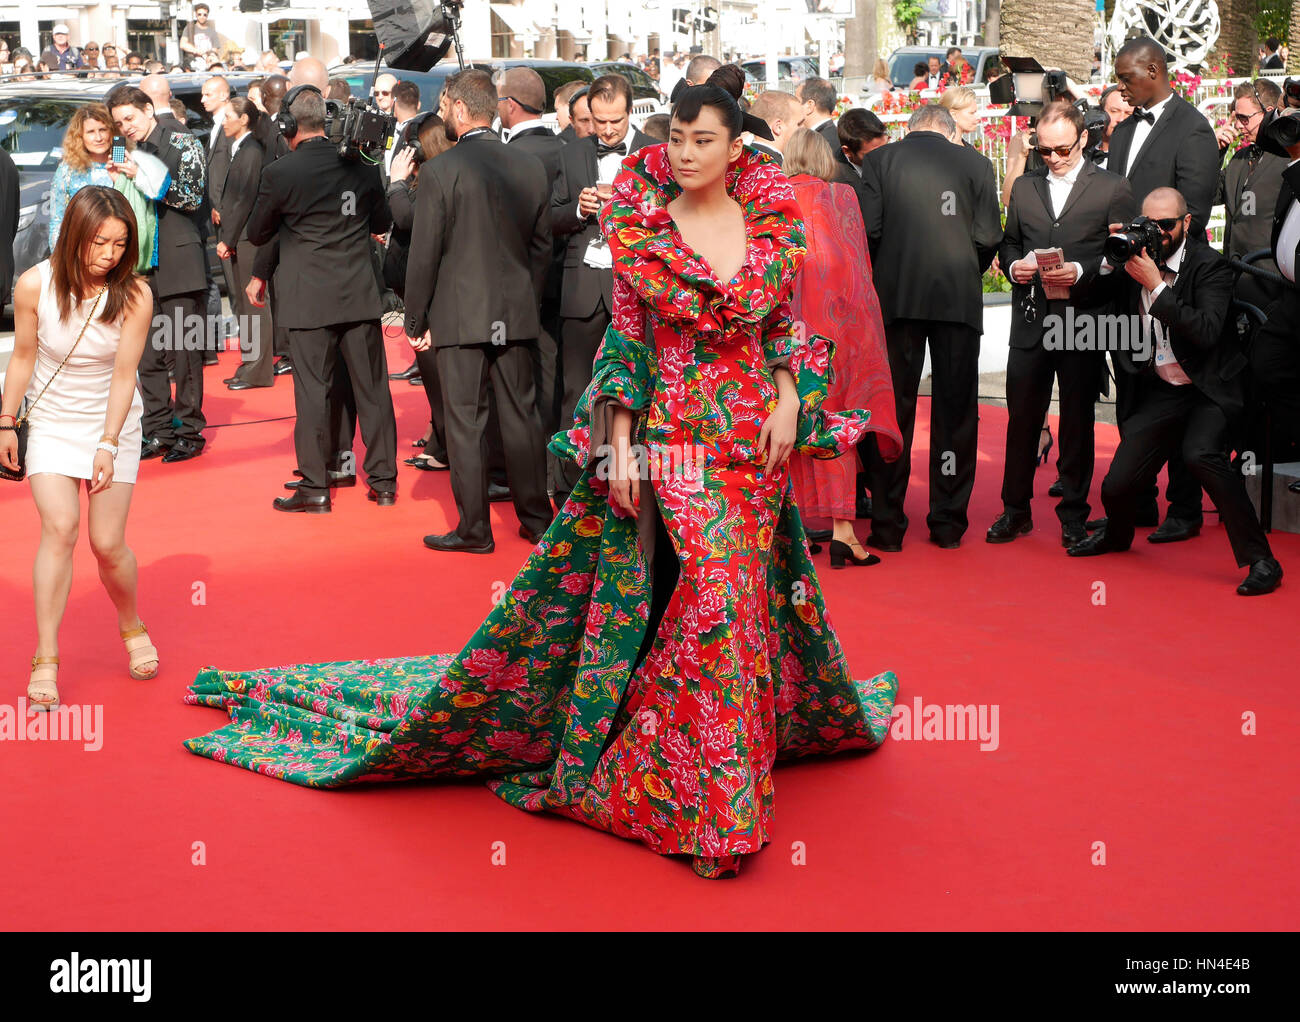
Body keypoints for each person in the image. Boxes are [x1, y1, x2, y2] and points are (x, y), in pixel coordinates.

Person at [181, 84, 898, 882]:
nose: (688, 153)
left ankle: (695, 763)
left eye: (705, 140)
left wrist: (793, 401)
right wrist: (618, 442)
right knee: (718, 604)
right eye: (681, 139)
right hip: (673, 443)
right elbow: (626, 343)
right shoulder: (643, 225)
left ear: (737, 148)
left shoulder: (772, 222)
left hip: (752, 444)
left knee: (734, 605)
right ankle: (718, 811)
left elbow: (785, 329)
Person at [1067, 188, 1282, 596]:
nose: (1158, 233)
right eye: (1149, 224)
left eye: (1167, 225)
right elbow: (1086, 297)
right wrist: (1112, 262)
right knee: (1116, 484)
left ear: (1186, 224)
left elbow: (1204, 331)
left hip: (1209, 387)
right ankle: (1117, 534)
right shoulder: (1135, 259)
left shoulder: (1210, 265)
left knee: (1200, 454)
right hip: (1165, 388)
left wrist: (1157, 287)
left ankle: (1262, 561)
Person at [0, 186, 157, 710]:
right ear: (73, 237)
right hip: (50, 420)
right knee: (60, 528)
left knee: (107, 544)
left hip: (112, 421)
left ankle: (131, 624)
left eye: (119, 244)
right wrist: (5, 422)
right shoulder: (34, 285)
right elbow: (22, 357)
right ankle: (46, 656)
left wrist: (109, 442)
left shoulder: (134, 294)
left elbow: (123, 375)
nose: (110, 255)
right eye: (99, 243)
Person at [403, 69, 554, 551]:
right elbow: (541, 247)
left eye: (447, 106)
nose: (443, 112)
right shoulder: (528, 166)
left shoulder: (441, 171)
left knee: (465, 421)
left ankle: (474, 529)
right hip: (514, 314)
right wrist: (525, 299)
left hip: (461, 317)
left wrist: (414, 317)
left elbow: (424, 253)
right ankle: (537, 520)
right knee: (522, 416)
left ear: (463, 111)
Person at [244, 85, 397, 512]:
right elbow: (382, 221)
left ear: (289, 126)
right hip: (358, 296)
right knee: (373, 391)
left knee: (313, 393)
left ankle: (315, 488)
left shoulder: (281, 173)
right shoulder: (363, 166)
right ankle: (384, 482)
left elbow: (257, 233)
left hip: (307, 302)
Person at [989, 101, 1135, 549]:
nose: (1051, 157)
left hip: (1083, 320)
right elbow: (1010, 242)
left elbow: (1121, 254)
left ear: (1084, 140)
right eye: (1043, 149)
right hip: (1032, 320)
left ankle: (1074, 512)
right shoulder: (1027, 188)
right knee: (1022, 420)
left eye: (1061, 150)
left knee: (1077, 420)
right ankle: (1015, 511)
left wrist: (1081, 271)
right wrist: (1015, 269)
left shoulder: (1113, 188)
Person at [859, 103, 1003, 550]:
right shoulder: (977, 164)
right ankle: (947, 523)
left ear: (909, 128)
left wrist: (892, 270)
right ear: (949, 131)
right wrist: (962, 272)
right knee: (955, 412)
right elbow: (988, 237)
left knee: (893, 410)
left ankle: (887, 524)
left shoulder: (880, 160)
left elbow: (870, 229)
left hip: (897, 300)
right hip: (956, 302)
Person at [1105, 36, 1221, 543]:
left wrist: (1157, 269)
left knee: (1177, 389)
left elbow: (1192, 211)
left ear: (1153, 69)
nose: (1120, 87)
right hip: (1125, 282)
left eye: (1126, 78)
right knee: (1133, 390)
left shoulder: (1192, 127)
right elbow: (1115, 193)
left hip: (1168, 282)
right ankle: (1137, 503)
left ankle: (1184, 507)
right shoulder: (1125, 127)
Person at [781, 127, 902, 567]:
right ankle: (843, 533)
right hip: (842, 333)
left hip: (788, 334)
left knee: (789, 421)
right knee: (837, 424)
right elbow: (860, 269)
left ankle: (789, 533)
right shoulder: (845, 197)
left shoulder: (771, 198)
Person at [550, 73, 655, 510]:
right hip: (582, 288)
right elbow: (549, 218)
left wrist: (632, 207)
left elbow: (673, 215)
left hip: (635, 287)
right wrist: (578, 208)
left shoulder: (653, 151)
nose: (607, 130)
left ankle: (639, 487)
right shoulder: (570, 152)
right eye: (599, 121)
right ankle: (573, 492)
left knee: (638, 390)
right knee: (576, 390)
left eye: (615, 121)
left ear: (630, 112)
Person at [106, 82, 209, 465]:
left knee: (184, 352)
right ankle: (158, 429)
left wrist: (143, 177)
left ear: (148, 111)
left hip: (180, 260)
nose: (125, 127)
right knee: (145, 354)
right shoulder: (125, 149)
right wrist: (118, 174)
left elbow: (192, 196)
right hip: (138, 266)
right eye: (119, 123)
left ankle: (189, 431)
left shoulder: (183, 141)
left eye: (129, 118)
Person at [500, 66, 567, 487]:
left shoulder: (514, 159)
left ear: (508, 105)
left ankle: (529, 474)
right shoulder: (564, 149)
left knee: (527, 389)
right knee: (560, 382)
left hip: (523, 291)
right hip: (570, 286)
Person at [385, 115, 453, 471]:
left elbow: (411, 220)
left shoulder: (434, 178)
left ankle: (445, 449)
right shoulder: (428, 176)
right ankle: (439, 441)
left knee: (439, 382)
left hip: (431, 299)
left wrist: (396, 184)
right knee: (434, 382)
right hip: (419, 294)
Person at [215, 97, 273, 390]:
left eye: (228, 116)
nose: (223, 121)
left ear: (244, 120)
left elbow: (245, 199)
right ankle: (250, 363)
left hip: (248, 237)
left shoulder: (251, 151)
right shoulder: (241, 149)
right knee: (242, 302)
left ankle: (259, 370)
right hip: (242, 236)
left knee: (255, 305)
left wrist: (228, 238)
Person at [1216, 82, 1288, 310]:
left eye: (1245, 118)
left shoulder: (1289, 159)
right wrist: (1215, 152)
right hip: (1234, 280)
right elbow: (1209, 195)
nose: (1239, 126)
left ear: (1268, 113)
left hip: (1272, 283)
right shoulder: (1239, 158)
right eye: (1236, 118)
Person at [48, 105, 122, 248]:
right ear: (80, 136)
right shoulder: (67, 170)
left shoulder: (126, 164)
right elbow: (57, 219)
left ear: (112, 132)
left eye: (102, 130)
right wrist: (59, 258)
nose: (98, 138)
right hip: (79, 248)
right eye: (91, 132)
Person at [795, 77, 846, 164]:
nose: (793, 107)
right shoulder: (838, 136)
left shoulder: (817, 145)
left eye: (796, 101)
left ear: (809, 106)